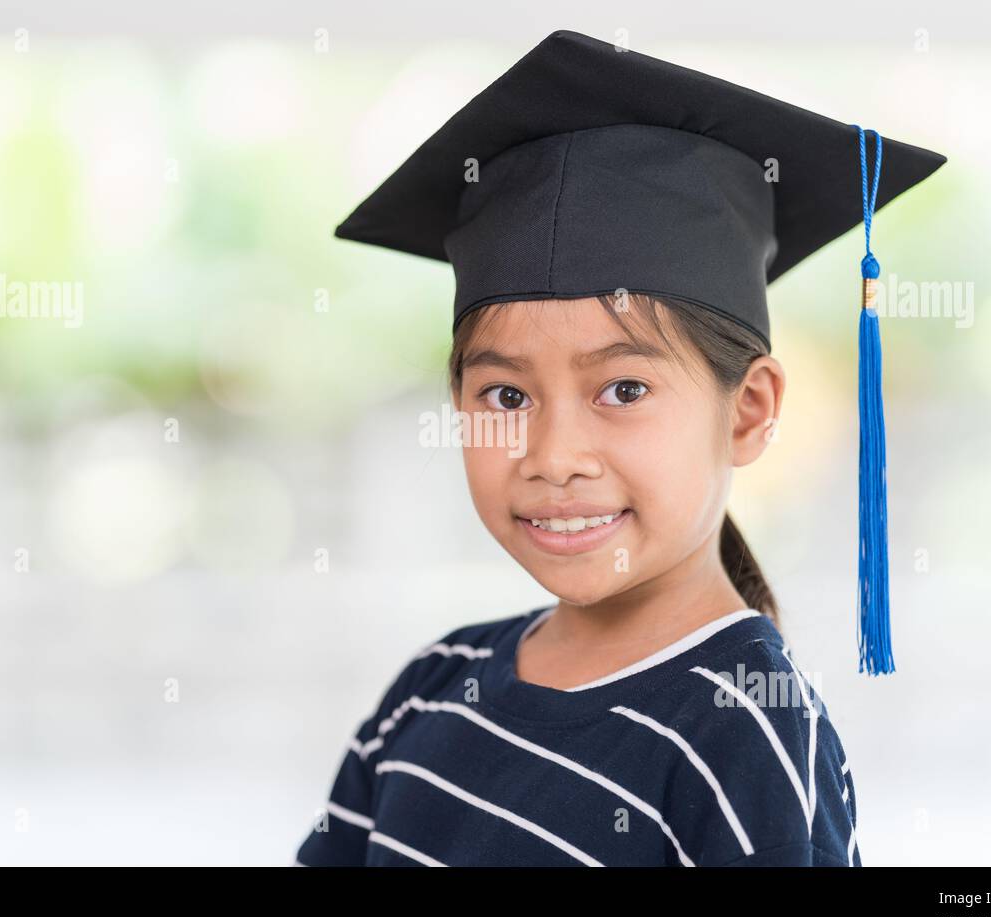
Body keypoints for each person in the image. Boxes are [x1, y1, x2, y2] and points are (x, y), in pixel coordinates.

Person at [295, 29, 945, 866]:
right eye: (506, 394)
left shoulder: (748, 733)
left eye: (625, 390)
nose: (554, 455)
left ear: (747, 412)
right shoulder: (431, 689)